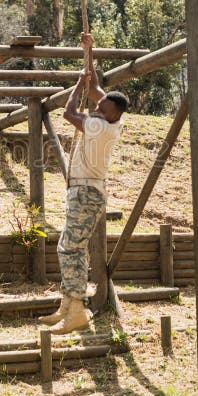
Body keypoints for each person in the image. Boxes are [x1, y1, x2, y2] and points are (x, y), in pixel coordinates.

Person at [40, 34, 129, 335]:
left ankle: (77, 308)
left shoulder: (99, 126)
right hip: (85, 190)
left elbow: (69, 112)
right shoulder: (111, 118)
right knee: (66, 245)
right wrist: (88, 53)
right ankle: (68, 304)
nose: (96, 105)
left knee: (72, 249)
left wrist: (77, 85)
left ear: (110, 113)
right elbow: (94, 89)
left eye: (101, 106)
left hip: (86, 192)